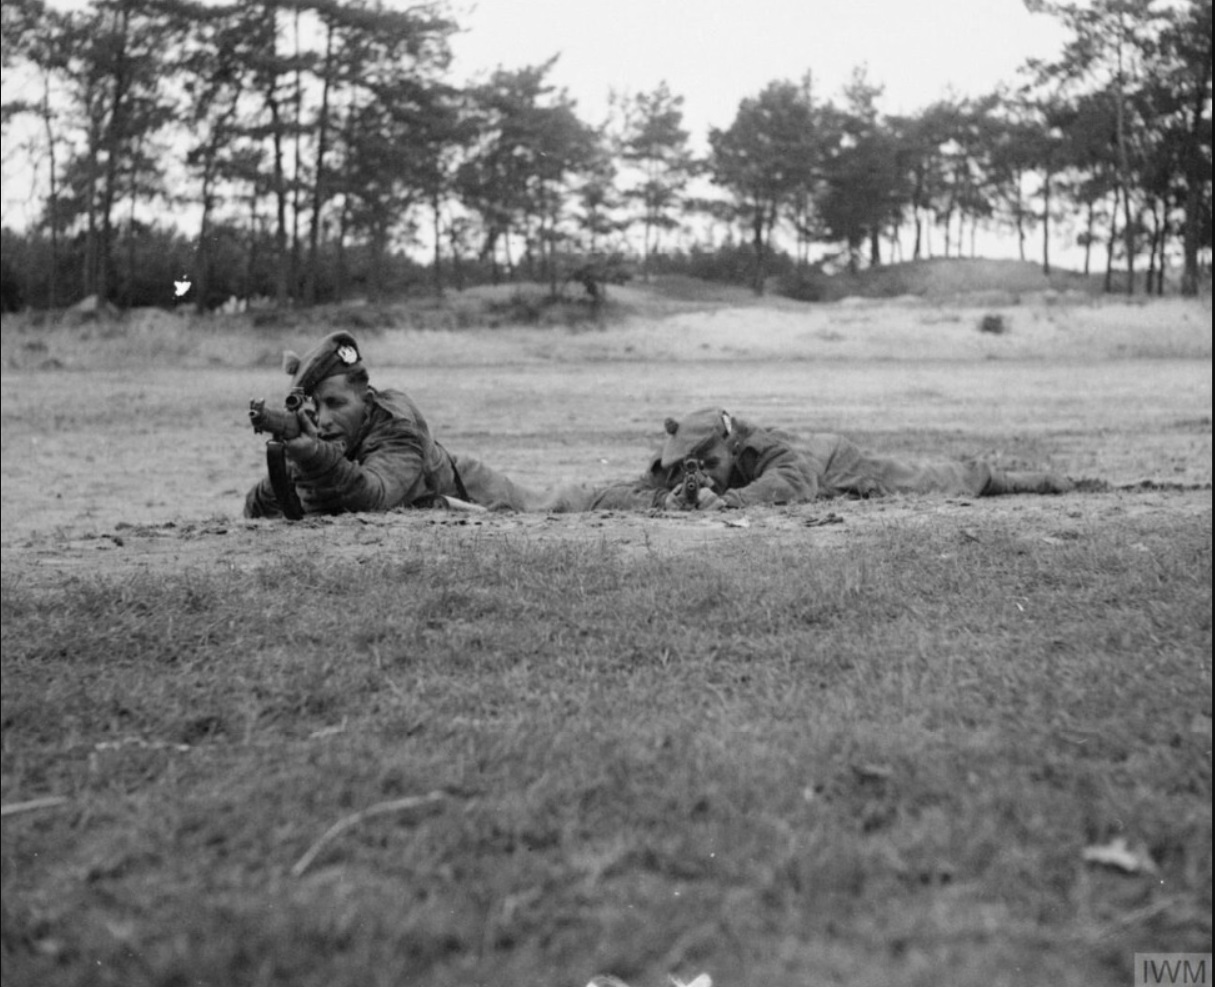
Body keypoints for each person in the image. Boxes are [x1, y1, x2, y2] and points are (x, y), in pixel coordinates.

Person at [243, 331, 547, 519]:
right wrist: (293, 461)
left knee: (559, 504)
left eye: (335, 404)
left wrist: (314, 458)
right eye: (315, 409)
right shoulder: (323, 435)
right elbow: (257, 508)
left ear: (366, 400)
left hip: (480, 492)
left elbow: (374, 498)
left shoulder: (397, 425)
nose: (323, 420)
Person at [551, 406, 1074, 512]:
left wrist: (728, 503)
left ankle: (1035, 480)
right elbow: (630, 490)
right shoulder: (684, 459)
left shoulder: (766, 448)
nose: (701, 474)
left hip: (835, 463)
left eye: (708, 464)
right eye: (692, 467)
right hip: (809, 464)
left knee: (941, 478)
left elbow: (795, 481)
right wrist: (666, 499)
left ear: (730, 446)